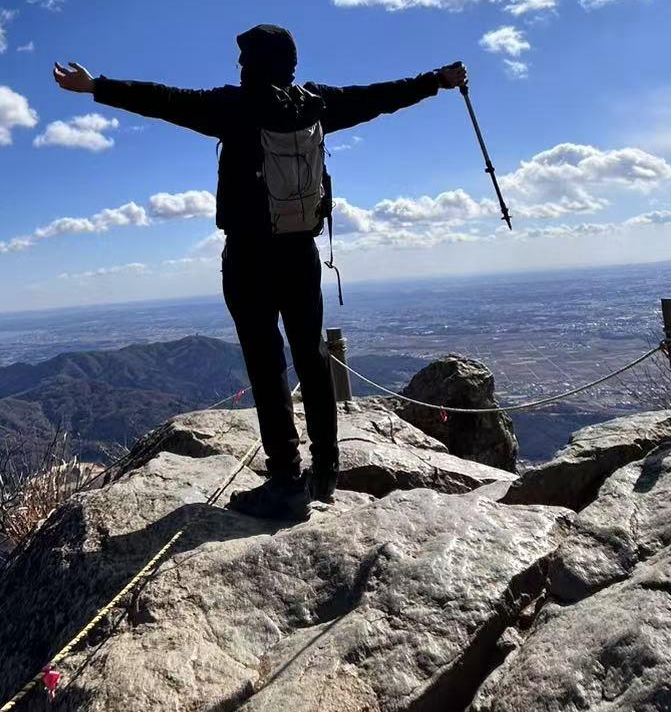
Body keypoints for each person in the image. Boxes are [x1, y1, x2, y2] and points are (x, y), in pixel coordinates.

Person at [53, 26, 466, 521]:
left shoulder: (236, 106)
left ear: (251, 63)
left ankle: (287, 482)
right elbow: (379, 97)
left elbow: (163, 100)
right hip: (301, 254)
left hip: (250, 257)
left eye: (241, 58)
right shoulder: (318, 103)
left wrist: (96, 85)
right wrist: (435, 80)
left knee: (268, 368)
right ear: (290, 62)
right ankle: (326, 472)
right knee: (312, 359)